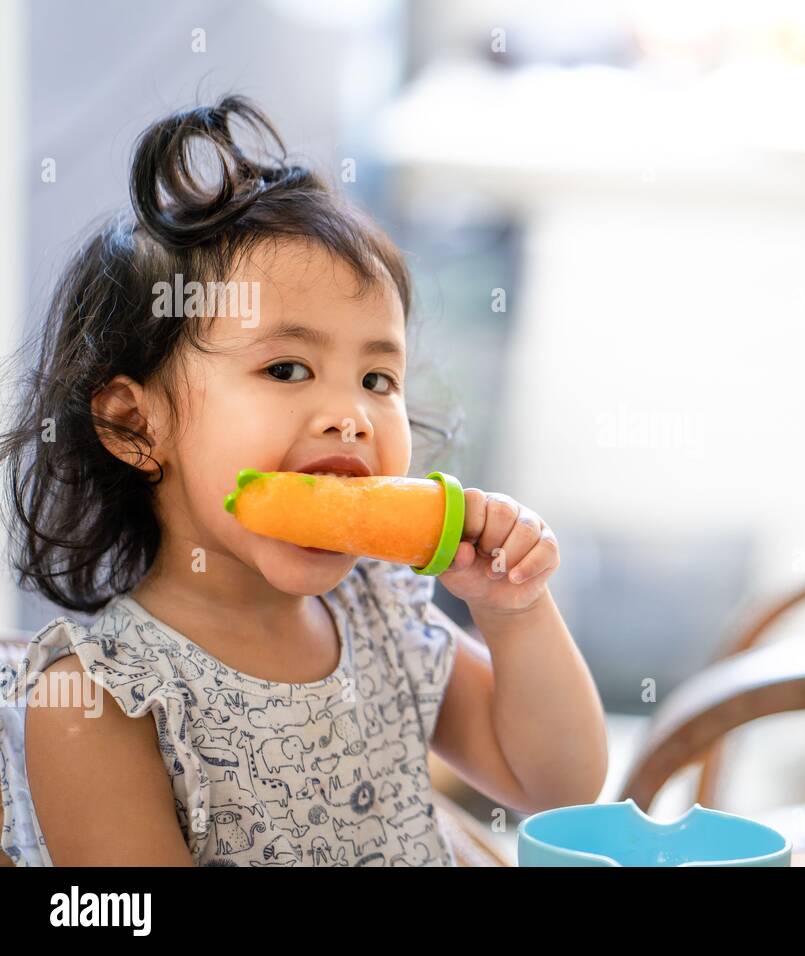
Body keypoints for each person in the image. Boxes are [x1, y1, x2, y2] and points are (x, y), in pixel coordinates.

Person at [0, 95, 607, 866]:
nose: (352, 416)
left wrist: (513, 610)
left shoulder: (382, 613)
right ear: (134, 424)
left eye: (379, 378)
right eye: (287, 368)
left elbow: (557, 785)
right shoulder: (97, 700)